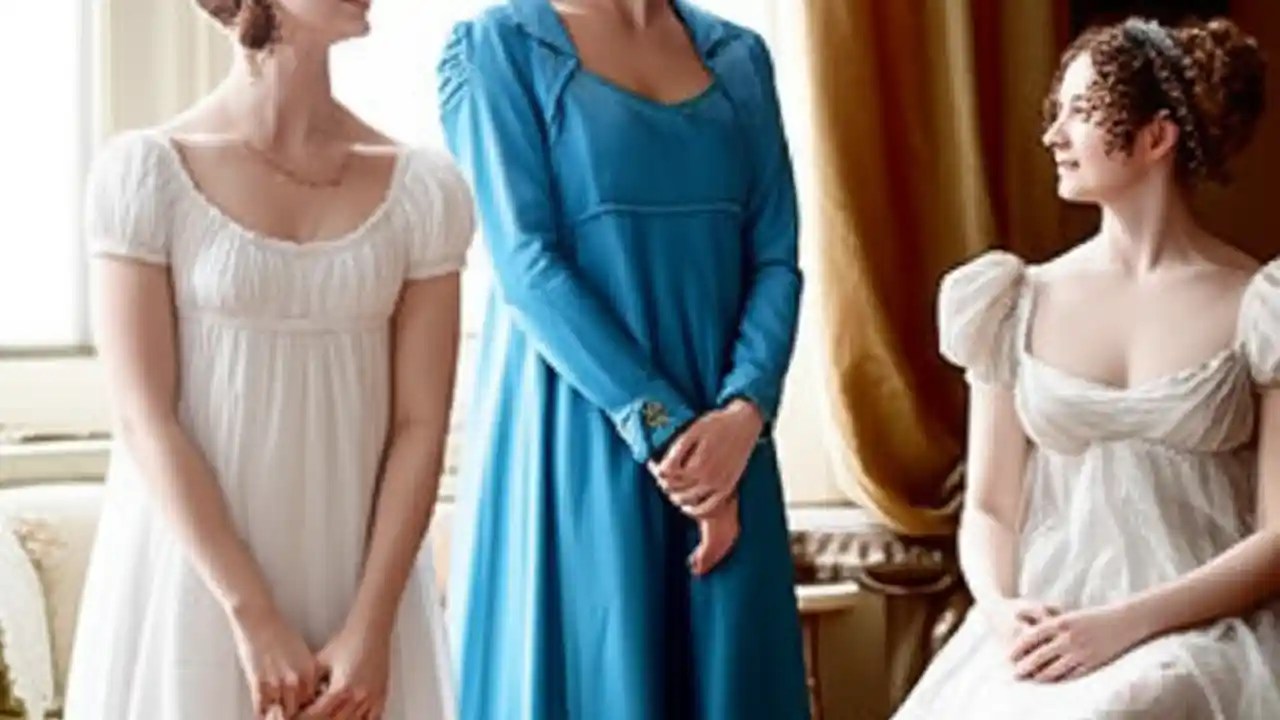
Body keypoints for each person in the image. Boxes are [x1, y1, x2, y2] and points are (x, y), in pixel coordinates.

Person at [65, 1, 473, 717]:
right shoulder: (147, 174)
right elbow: (143, 418)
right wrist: (250, 614)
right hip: (195, 583)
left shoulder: (422, 189)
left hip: (355, 591)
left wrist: (370, 629)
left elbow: (420, 424)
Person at [895, 16, 1280, 720]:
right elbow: (989, 504)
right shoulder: (1013, 299)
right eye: (1058, 112)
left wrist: (1120, 627)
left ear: (1156, 138)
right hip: (1049, 629)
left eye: (1079, 112)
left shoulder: (1262, 307)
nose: (1054, 136)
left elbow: (1278, 537)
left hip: (1201, 632)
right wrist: (1003, 609)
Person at [437, 1, 809, 718]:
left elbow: (775, 258)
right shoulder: (498, 48)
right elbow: (525, 266)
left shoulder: (741, 57)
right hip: (579, 428)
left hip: (727, 437)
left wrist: (745, 411)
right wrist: (668, 433)